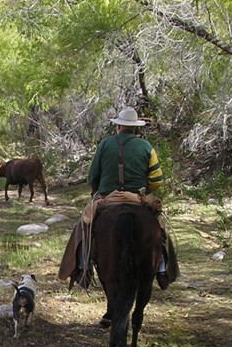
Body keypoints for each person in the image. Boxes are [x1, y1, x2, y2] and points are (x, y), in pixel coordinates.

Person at [58, 105, 176, 291]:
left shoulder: (105, 144)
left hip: (107, 198)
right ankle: (161, 269)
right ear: (135, 127)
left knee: (83, 226)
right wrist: (145, 192)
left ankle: (82, 267)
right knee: (159, 228)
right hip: (136, 198)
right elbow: (157, 179)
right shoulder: (146, 147)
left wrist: (97, 190)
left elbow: (93, 176)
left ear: (118, 126)